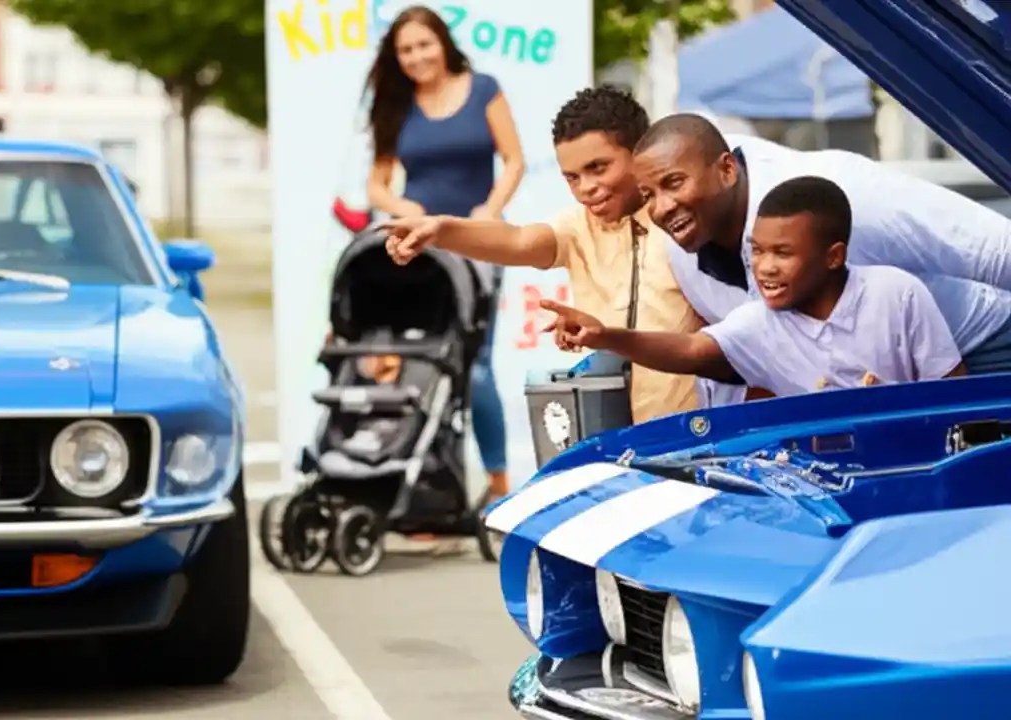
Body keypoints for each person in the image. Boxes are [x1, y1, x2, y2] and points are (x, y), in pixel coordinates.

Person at [380, 85, 748, 423]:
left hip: (696, 432)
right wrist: (442, 230)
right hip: (610, 440)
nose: (587, 187)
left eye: (598, 168)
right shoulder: (576, 227)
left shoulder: (683, 224)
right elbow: (517, 240)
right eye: (572, 177)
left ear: (639, 154)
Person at [632, 113, 1011, 375]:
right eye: (647, 194)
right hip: (882, 386)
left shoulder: (841, 192)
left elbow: (988, 248)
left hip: (983, 347)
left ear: (727, 170)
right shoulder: (682, 248)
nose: (661, 207)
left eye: (675, 183)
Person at [540, 176, 967, 396]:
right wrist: (606, 336)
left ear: (834, 256)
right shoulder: (759, 323)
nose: (764, 267)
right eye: (757, 251)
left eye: (782, 253)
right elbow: (689, 351)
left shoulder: (897, 294)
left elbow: (956, 397)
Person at [363, 5, 525, 498]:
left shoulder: (483, 89)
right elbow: (376, 184)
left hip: (477, 241)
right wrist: (401, 203)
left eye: (423, 45)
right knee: (420, 361)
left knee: (475, 367)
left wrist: (489, 210)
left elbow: (514, 159)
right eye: (405, 50)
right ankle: (431, 489)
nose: (416, 57)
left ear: (443, 44)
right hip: (419, 248)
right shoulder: (394, 104)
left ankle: (498, 483)